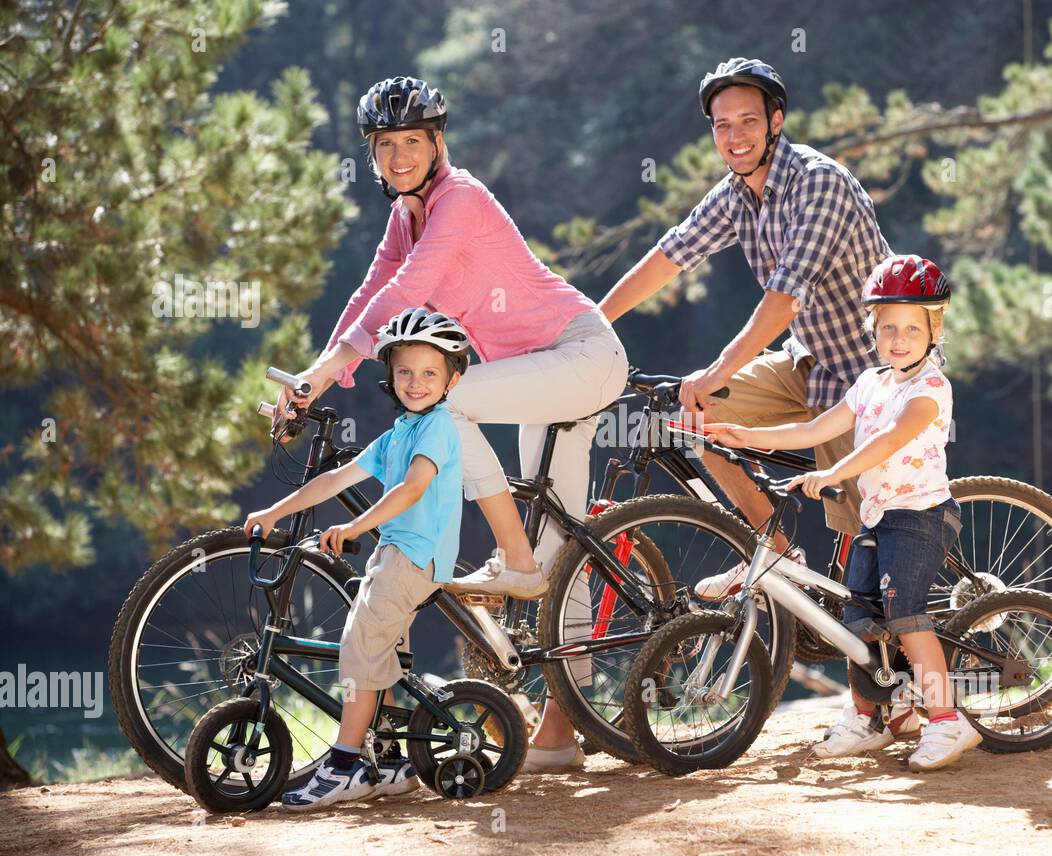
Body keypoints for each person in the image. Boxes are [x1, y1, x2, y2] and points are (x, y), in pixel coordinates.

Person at [276, 77, 627, 773]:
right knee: (566, 546)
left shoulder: (459, 200)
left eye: (412, 141)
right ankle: (561, 732)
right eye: (385, 145)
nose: (399, 155)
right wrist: (317, 373)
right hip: (539, 370)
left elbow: (407, 294)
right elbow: (370, 295)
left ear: (438, 143)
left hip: (581, 353)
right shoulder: (405, 215)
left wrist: (329, 371)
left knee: (448, 405)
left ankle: (515, 560)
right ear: (372, 156)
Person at [599, 57, 894, 597]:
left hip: (875, 375)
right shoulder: (737, 193)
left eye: (748, 121)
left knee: (873, 570)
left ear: (776, 121)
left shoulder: (817, 182)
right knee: (697, 416)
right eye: (722, 124)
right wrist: (594, 324)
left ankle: (913, 634)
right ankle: (777, 553)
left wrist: (716, 370)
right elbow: (670, 257)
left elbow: (782, 303)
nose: (734, 136)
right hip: (812, 361)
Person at [705, 255, 981, 771]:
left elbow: (889, 440)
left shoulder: (930, 389)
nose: (898, 339)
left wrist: (832, 475)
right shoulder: (871, 383)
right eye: (887, 328)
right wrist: (745, 436)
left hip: (919, 516)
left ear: (934, 330)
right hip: (875, 518)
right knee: (857, 622)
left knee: (906, 614)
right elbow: (813, 431)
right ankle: (870, 717)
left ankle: (947, 721)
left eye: (912, 329)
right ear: (872, 331)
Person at [245, 308, 469, 809]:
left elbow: (413, 488)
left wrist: (354, 527)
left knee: (357, 646)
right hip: (397, 554)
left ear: (452, 379)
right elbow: (334, 480)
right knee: (380, 654)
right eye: (405, 371)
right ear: (390, 375)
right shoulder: (398, 433)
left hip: (414, 557)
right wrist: (274, 511)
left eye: (430, 373)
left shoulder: (437, 429)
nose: (415, 382)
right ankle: (390, 760)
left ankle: (345, 763)